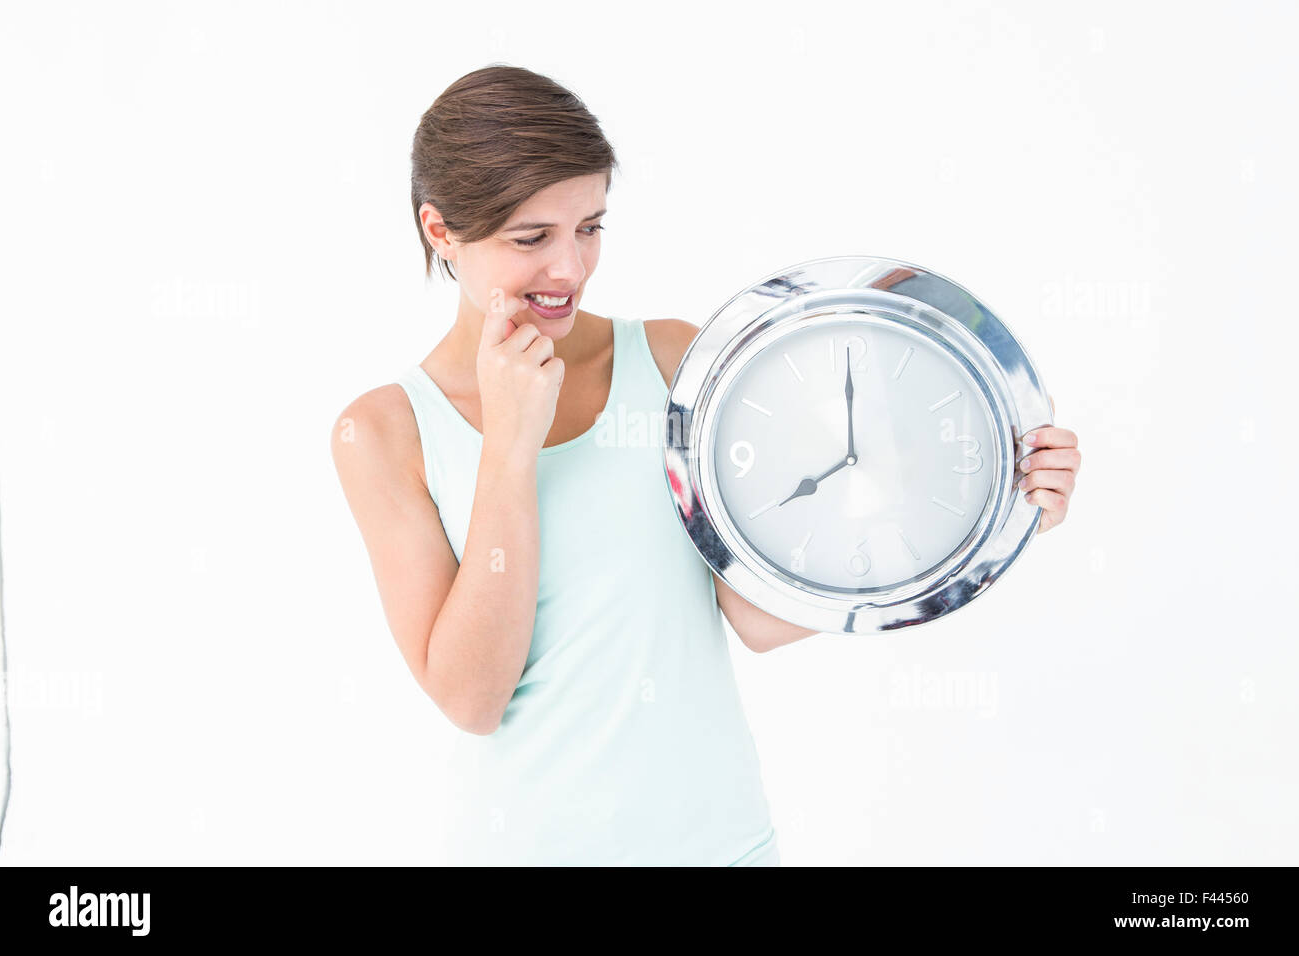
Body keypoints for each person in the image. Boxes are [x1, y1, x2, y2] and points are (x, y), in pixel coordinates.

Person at [330, 64, 1082, 866]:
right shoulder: (384, 431)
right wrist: (510, 442)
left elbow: (755, 613)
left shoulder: (671, 357)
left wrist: (998, 504)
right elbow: (474, 698)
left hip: (720, 847)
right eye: (531, 239)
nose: (570, 271)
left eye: (590, 227)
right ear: (441, 232)